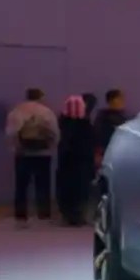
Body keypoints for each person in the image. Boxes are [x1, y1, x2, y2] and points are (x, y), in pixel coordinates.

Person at [5, 88, 60, 226]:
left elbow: (10, 133)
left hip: (23, 153)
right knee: (43, 184)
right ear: (41, 97)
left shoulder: (17, 111)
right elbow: (55, 132)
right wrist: (52, 146)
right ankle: (44, 214)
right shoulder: (46, 112)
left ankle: (21, 215)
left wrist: (15, 147)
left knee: (21, 185)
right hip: (43, 153)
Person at [56, 94, 97, 226]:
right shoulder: (84, 125)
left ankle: (68, 214)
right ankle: (77, 214)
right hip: (82, 162)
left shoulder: (62, 124)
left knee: (67, 188)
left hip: (66, 161)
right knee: (81, 188)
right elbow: (88, 144)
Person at [93, 88, 129, 164]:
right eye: (120, 98)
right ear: (113, 100)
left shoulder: (122, 117)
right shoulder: (105, 117)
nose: (123, 101)